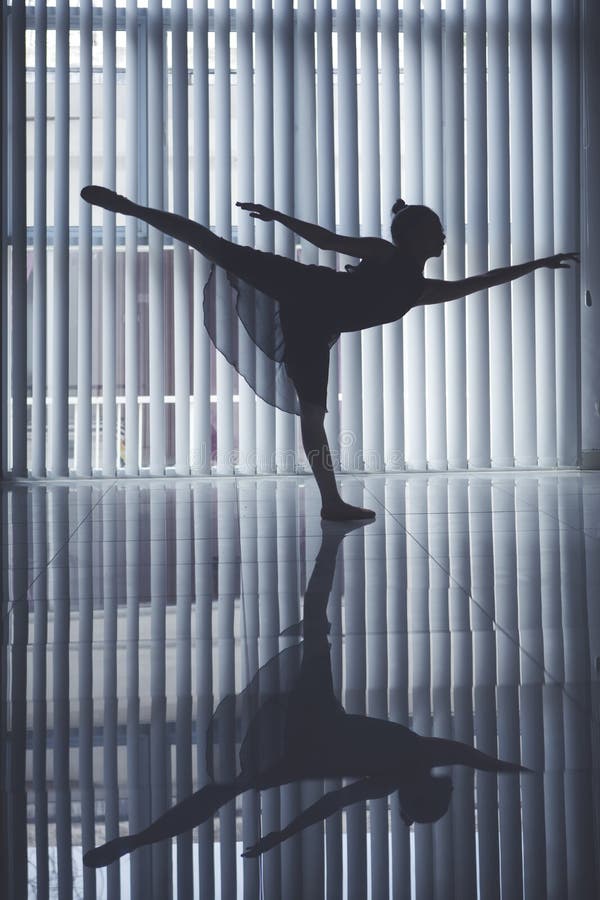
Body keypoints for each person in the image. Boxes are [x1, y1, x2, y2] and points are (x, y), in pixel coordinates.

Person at [80, 186, 578, 519]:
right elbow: (327, 239)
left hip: (313, 329)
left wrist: (539, 264)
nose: (444, 235)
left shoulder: (417, 290)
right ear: (410, 237)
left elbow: (478, 283)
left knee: (314, 414)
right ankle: (131, 209)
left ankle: (331, 502)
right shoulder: (385, 255)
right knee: (217, 246)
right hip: (305, 288)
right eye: (435, 229)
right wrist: (277, 217)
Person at [83, 520, 528, 869]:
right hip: (308, 729)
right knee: (223, 790)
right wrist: (516, 769)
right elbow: (332, 804)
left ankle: (330, 546)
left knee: (225, 788)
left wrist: (283, 835)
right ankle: (133, 842)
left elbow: (331, 805)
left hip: (304, 732)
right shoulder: (407, 766)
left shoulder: (418, 760)